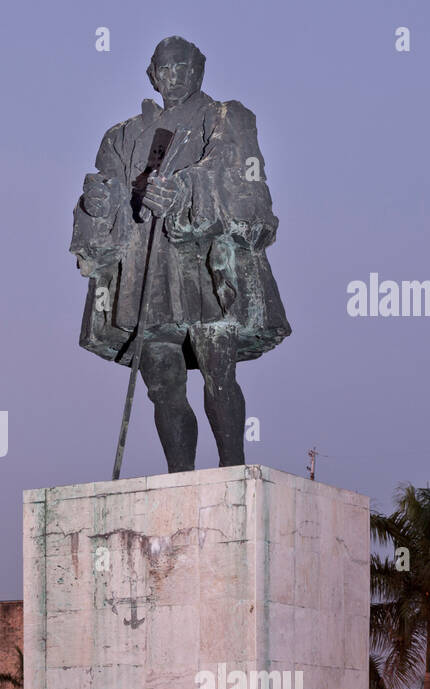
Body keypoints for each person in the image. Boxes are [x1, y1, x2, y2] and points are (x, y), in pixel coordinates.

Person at [70, 36, 289, 473]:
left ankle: (233, 469)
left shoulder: (224, 117)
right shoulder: (122, 135)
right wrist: (99, 204)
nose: (173, 77)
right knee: (162, 381)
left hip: (202, 262)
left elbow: (242, 178)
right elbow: (107, 191)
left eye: (182, 67)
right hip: (145, 268)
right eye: (164, 69)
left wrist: (185, 189)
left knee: (217, 367)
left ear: (199, 70)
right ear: (152, 74)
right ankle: (180, 477)